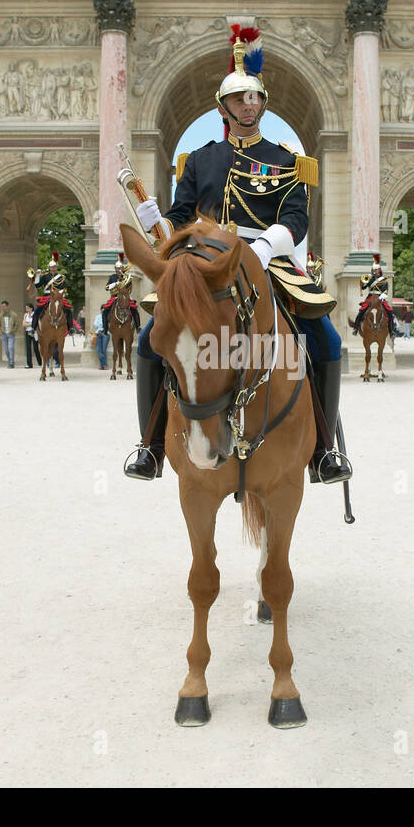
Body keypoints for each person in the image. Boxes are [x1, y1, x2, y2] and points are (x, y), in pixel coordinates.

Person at [125, 24, 350, 484]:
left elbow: (297, 219)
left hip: (270, 259)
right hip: (205, 264)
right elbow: (180, 220)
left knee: (326, 339)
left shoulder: (287, 160)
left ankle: (325, 451)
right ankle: (148, 446)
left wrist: (265, 246)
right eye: (240, 99)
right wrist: (156, 222)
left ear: (263, 103)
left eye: (255, 98)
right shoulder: (199, 158)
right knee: (150, 341)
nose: (250, 105)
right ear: (223, 106)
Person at [351, 254, 398, 340]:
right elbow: (364, 287)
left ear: (379, 270)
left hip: (380, 298)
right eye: (373, 270)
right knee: (361, 311)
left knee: (390, 313)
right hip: (370, 298)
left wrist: (380, 298)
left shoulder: (384, 280)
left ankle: (392, 331)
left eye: (376, 270)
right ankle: (356, 328)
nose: (374, 271)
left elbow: (385, 291)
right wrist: (363, 283)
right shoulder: (370, 279)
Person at [102, 254, 141, 333]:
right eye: (117, 268)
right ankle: (105, 329)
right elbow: (106, 287)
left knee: (134, 309)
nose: (118, 270)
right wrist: (115, 284)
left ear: (123, 268)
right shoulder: (112, 277)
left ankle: (138, 327)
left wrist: (124, 289)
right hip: (115, 297)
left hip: (125, 297)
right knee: (105, 311)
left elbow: (130, 289)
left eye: (120, 268)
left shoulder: (127, 277)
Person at [0, 299, 17, 368]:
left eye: (4, 306)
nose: (3, 308)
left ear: (7, 306)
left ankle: (11, 363)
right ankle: (10, 361)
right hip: (4, 334)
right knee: (6, 350)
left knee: (11, 347)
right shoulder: (0, 315)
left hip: (11, 334)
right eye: (2, 306)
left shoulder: (13, 315)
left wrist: (13, 331)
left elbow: (16, 324)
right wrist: (1, 332)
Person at [23, 302, 35, 368]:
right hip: (28, 332)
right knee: (28, 348)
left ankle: (40, 361)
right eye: (26, 308)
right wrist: (31, 323)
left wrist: (28, 323)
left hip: (34, 332)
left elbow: (35, 323)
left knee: (36, 348)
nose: (26, 309)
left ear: (31, 308)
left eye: (27, 308)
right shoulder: (25, 315)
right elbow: (24, 324)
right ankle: (29, 364)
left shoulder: (34, 314)